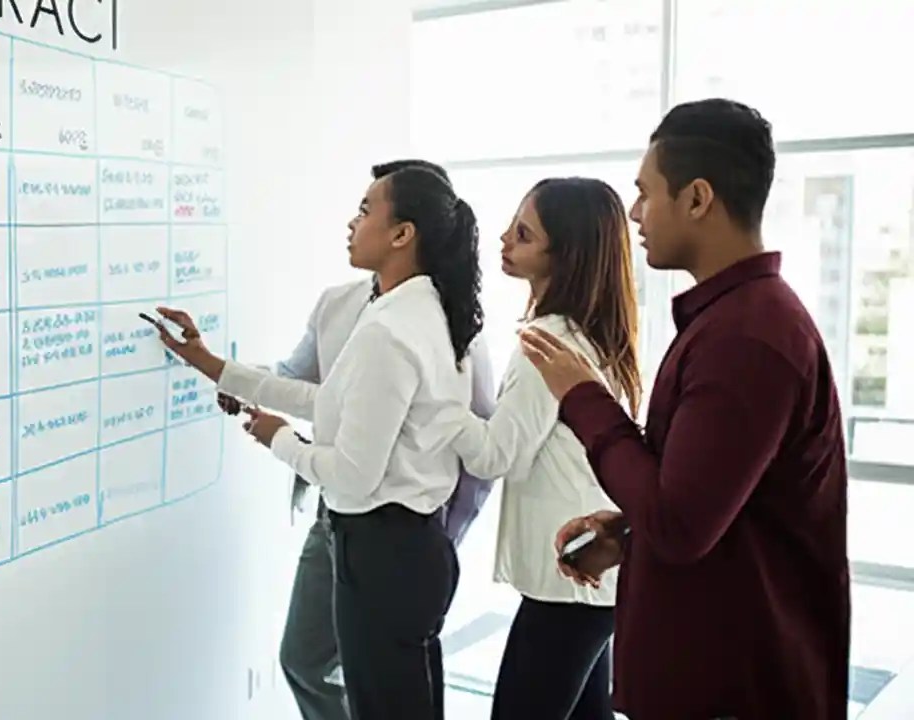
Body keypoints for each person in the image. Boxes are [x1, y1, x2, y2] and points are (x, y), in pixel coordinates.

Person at [523, 98, 851, 719]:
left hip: (733, 688)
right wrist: (627, 530)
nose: (636, 214)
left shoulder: (748, 337)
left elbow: (679, 526)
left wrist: (582, 395)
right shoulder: (732, 322)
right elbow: (711, 502)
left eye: (646, 194)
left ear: (697, 198)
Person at [158, 165, 483, 719]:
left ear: (403, 234)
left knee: (385, 701)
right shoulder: (420, 311)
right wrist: (215, 367)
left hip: (384, 543)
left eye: (364, 210)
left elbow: (354, 471)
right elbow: (327, 398)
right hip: (394, 543)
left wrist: (278, 438)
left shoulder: (390, 330)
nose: (351, 223)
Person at [448, 177, 641, 720]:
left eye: (524, 233)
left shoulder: (549, 340)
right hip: (586, 582)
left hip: (570, 582)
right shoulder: (590, 334)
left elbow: (495, 457)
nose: (504, 239)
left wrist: (437, 404)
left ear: (566, 253)